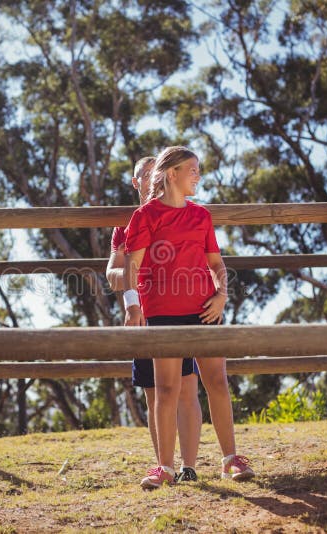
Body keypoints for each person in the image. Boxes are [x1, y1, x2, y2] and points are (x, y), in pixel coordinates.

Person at [123, 146, 255, 489]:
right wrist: (132, 305)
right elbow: (130, 266)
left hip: (204, 312)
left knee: (218, 383)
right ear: (172, 174)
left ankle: (231, 460)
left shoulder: (202, 216)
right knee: (166, 389)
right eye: (192, 170)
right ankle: (164, 468)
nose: (198, 176)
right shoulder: (145, 216)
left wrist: (222, 296)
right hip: (161, 314)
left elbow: (217, 264)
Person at [106, 157, 202, 482]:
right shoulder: (126, 225)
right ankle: (165, 466)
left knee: (187, 387)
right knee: (154, 392)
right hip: (145, 313)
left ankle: (189, 467)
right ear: (136, 182)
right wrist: (138, 274)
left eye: (157, 173)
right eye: (145, 175)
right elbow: (112, 275)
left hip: (178, 311)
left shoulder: (183, 214)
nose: (152, 179)